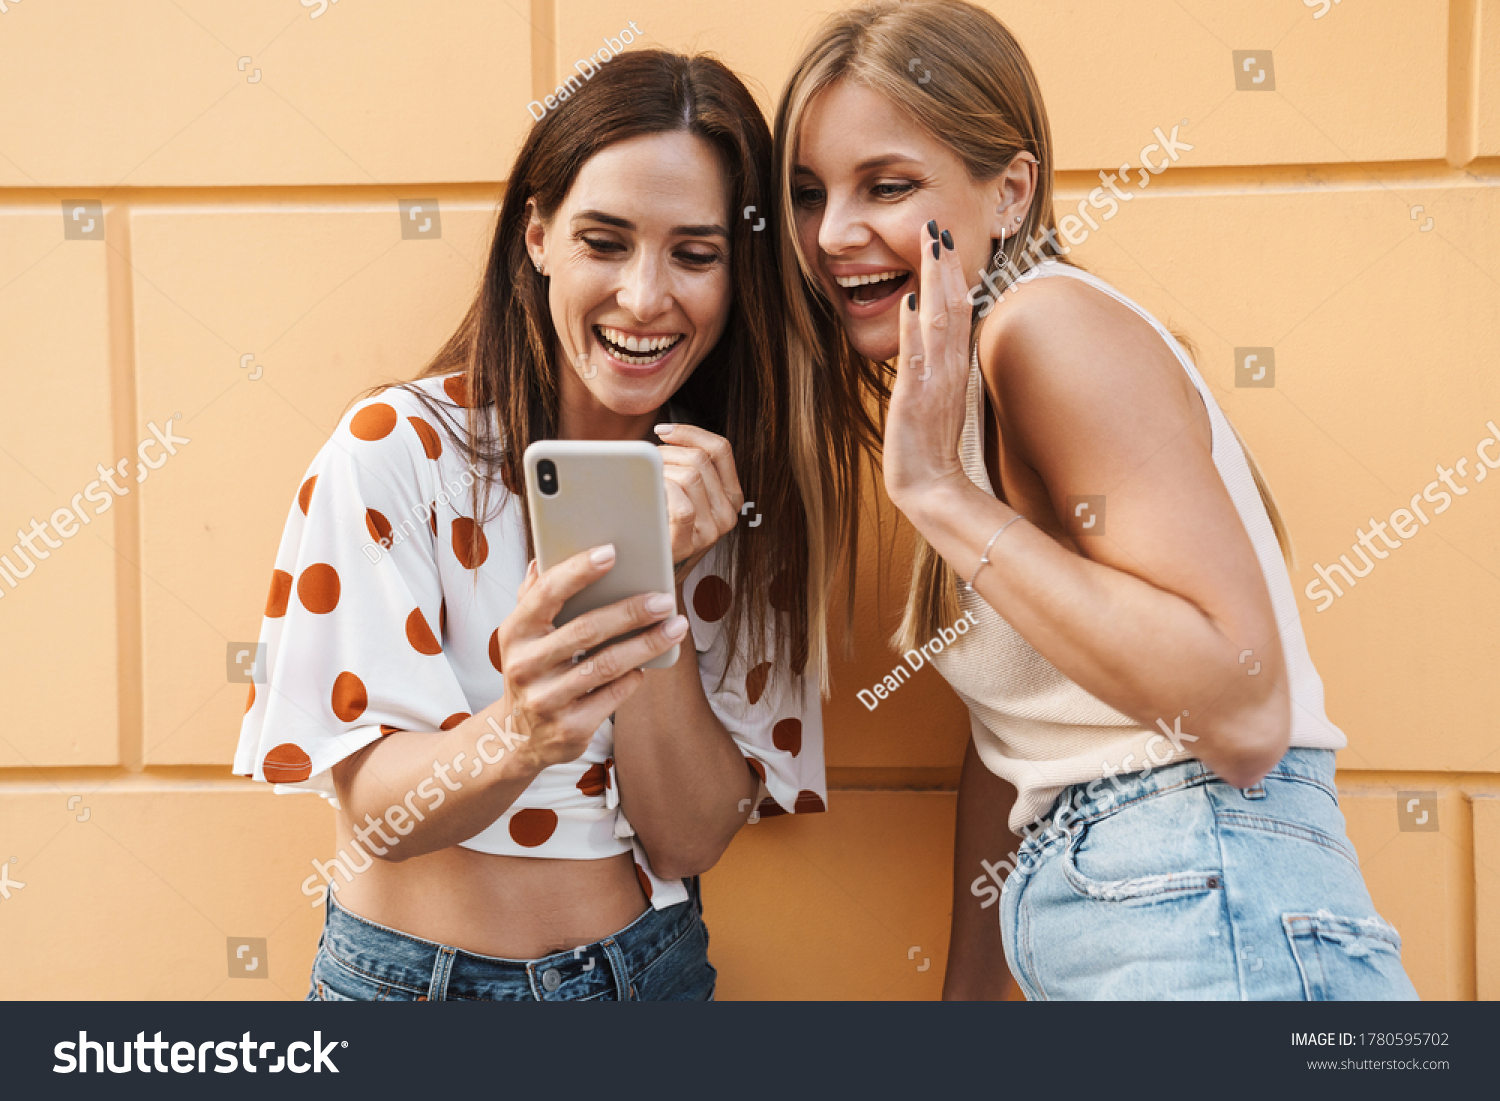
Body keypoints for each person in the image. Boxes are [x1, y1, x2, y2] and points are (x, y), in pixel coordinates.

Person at [775, 0, 1416, 1000]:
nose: (835, 233)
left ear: (1010, 192)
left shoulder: (1045, 329)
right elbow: (1020, 742)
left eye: (888, 185)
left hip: (1205, 894)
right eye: (809, 193)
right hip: (1130, 902)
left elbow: (1243, 714)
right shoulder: (968, 382)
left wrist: (940, 495)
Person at [233, 48, 825, 1002]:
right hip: (409, 986)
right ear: (537, 235)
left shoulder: (730, 493)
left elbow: (689, 838)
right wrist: (519, 730)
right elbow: (379, 817)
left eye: (695, 253)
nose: (644, 296)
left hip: (643, 976)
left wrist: (649, 587)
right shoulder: (396, 450)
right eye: (604, 241)